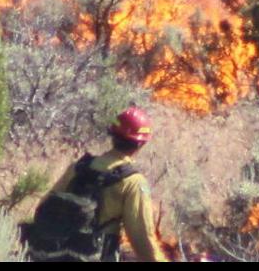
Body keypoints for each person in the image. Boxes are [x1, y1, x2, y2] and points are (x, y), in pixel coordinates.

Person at [38, 105, 168, 262]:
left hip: (57, 254)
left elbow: (44, 207)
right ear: (141, 144)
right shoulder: (133, 182)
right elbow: (141, 238)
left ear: (113, 136)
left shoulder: (78, 168)